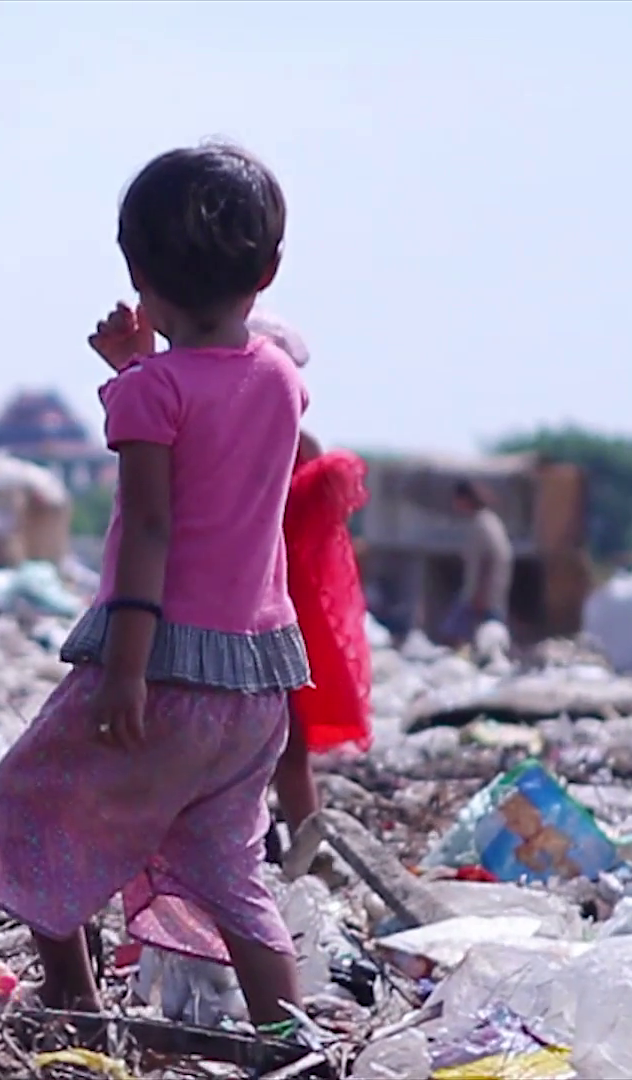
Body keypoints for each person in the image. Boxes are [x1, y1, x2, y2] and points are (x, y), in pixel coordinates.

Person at [0, 142, 308, 1025]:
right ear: (267, 272)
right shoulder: (280, 378)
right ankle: (284, 1030)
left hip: (164, 668)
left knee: (35, 802)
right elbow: (217, 431)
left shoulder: (149, 394)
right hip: (260, 678)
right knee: (230, 864)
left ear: (136, 272)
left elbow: (153, 523)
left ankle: (72, 991)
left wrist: (124, 668)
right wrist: (143, 371)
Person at [244, 312, 375, 832]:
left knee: (289, 743)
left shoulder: (303, 450)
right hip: (269, 603)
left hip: (277, 603)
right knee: (267, 744)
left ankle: (305, 847)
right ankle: (283, 846)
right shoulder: (301, 449)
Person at [441, 480, 513, 644]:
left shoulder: (483, 524)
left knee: (457, 633)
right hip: (482, 594)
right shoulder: (484, 521)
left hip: (482, 595)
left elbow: (488, 560)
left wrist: (480, 594)